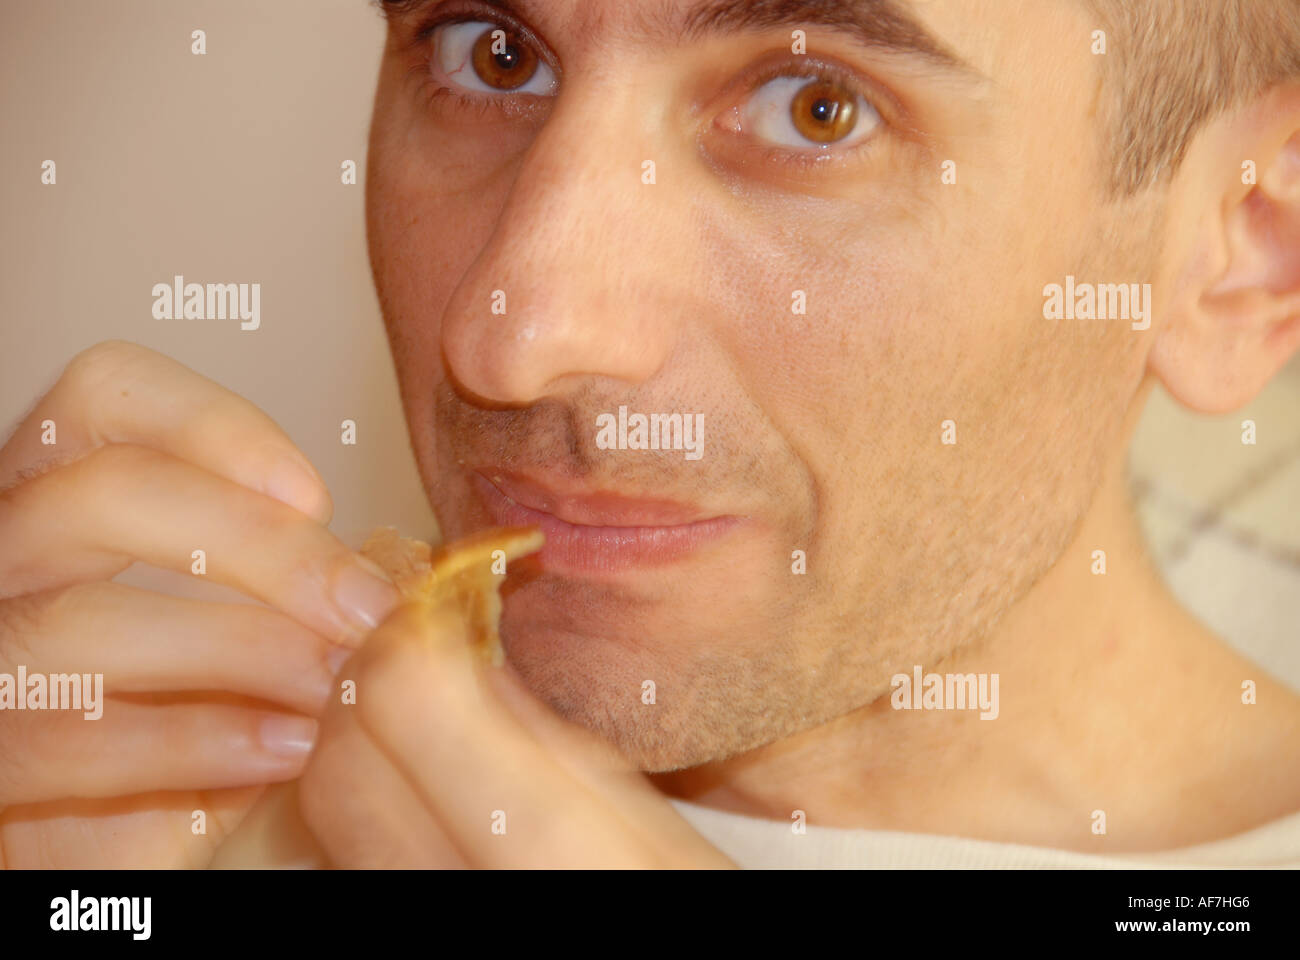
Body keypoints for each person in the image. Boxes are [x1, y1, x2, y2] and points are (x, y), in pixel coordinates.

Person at [2, 0, 1298, 868]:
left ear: (1242, 259)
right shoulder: (146, 804)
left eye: (814, 107)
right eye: (490, 54)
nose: (511, 337)